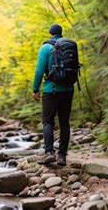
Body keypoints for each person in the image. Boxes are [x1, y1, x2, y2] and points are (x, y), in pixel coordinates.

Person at [32, 23, 74, 166]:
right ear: (61, 34)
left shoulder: (46, 47)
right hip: (68, 90)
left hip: (51, 90)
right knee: (64, 123)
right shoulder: (69, 46)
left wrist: (35, 89)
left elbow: (39, 70)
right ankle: (62, 156)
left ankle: (49, 153)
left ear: (50, 34)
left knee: (48, 121)